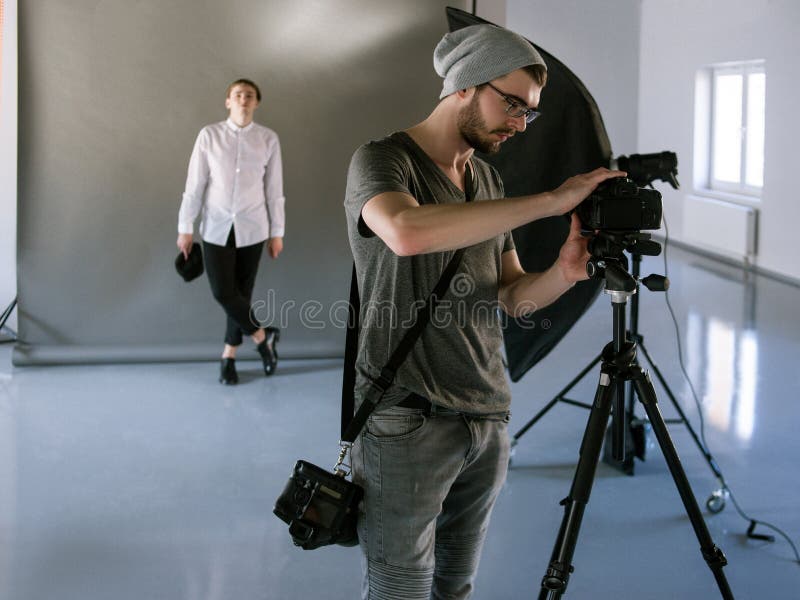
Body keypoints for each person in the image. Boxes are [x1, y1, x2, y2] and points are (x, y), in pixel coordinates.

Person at [343, 24, 625, 599]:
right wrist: (550, 202)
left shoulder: (488, 180)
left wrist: (564, 273)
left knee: (456, 586)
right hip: (407, 419)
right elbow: (404, 232)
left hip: (487, 416)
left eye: (530, 113)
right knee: (400, 587)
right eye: (513, 103)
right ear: (466, 85)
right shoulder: (383, 161)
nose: (520, 123)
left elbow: (511, 296)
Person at [177, 78, 284, 384]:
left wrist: (278, 232)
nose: (243, 99)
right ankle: (264, 338)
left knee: (242, 294)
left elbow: (274, 190)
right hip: (215, 226)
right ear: (228, 101)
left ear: (257, 102)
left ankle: (229, 357)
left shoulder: (268, 139)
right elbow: (194, 186)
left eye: (249, 95)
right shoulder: (209, 136)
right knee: (224, 292)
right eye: (237, 95)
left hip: (254, 227)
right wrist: (186, 227)